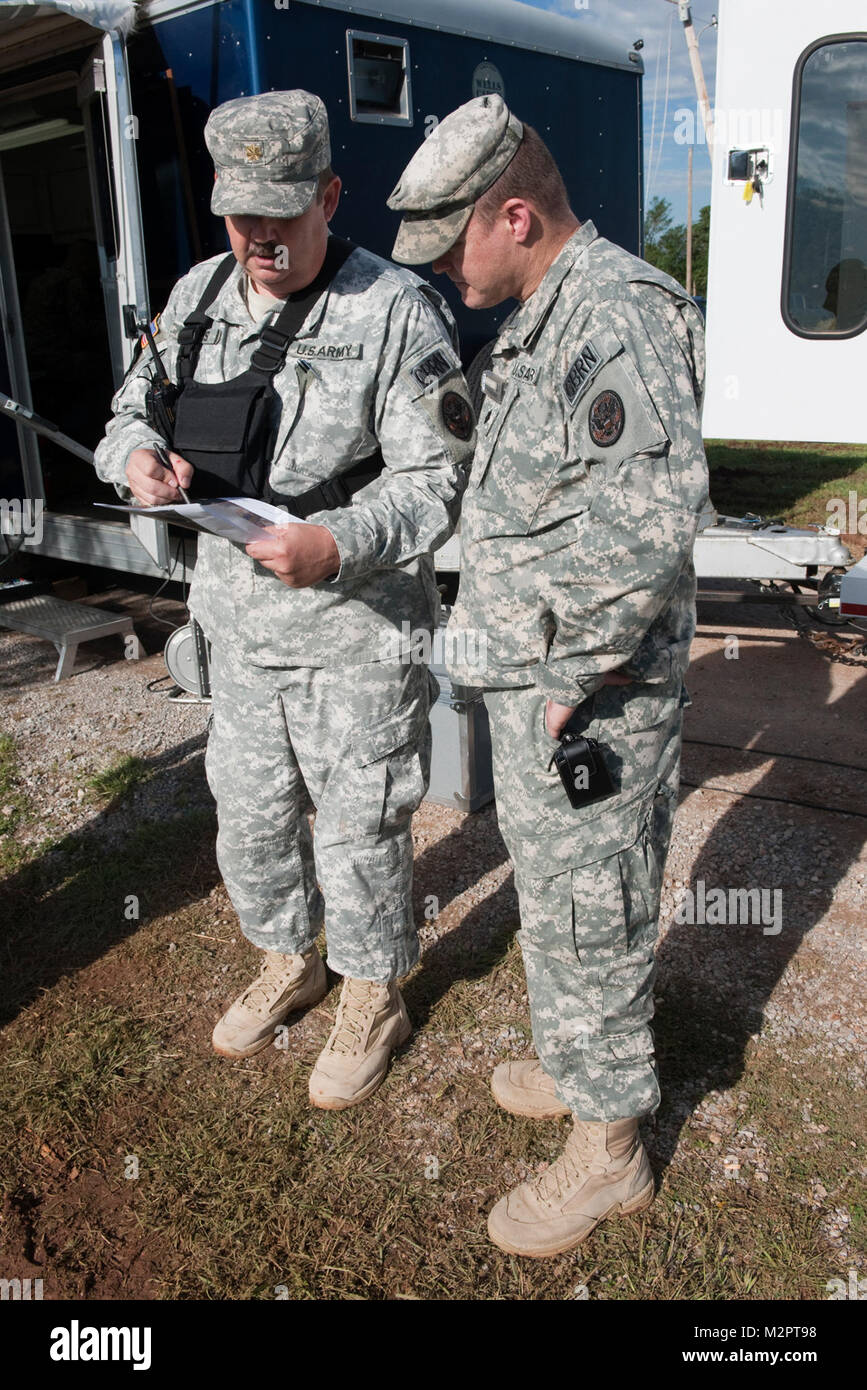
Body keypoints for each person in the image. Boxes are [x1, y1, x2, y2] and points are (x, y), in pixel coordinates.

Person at [94, 90, 474, 1110]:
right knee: (253, 821)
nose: (259, 235)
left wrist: (336, 542)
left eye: (282, 210)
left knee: (360, 824)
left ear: (331, 197)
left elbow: (438, 477)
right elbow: (131, 406)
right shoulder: (198, 297)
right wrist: (136, 456)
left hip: (356, 630)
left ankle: (370, 992)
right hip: (239, 627)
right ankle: (286, 958)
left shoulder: (395, 309)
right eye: (240, 213)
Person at [389, 95, 709, 1255]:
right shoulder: (540, 311)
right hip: (544, 685)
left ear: (514, 214)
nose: (438, 269)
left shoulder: (614, 313)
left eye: (450, 242)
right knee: (561, 897)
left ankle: (611, 1145)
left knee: (594, 904)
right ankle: (582, 1063)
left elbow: (653, 524)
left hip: (595, 698)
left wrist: (568, 674)